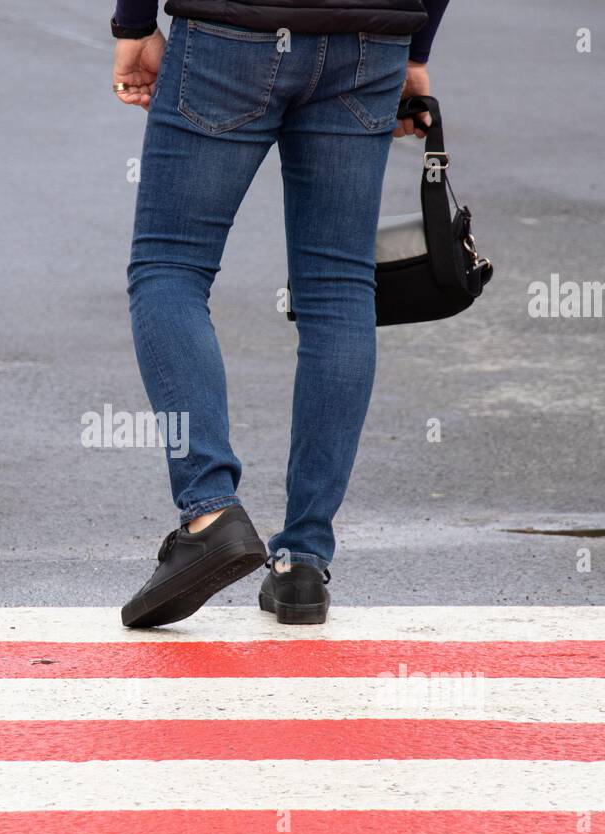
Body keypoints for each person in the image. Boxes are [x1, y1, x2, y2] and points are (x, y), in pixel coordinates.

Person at [114, 0, 449, 628]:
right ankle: (303, 562)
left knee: (171, 266)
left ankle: (210, 512)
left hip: (229, 32)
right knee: (339, 287)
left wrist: (132, 24)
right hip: (369, 40)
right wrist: (415, 44)